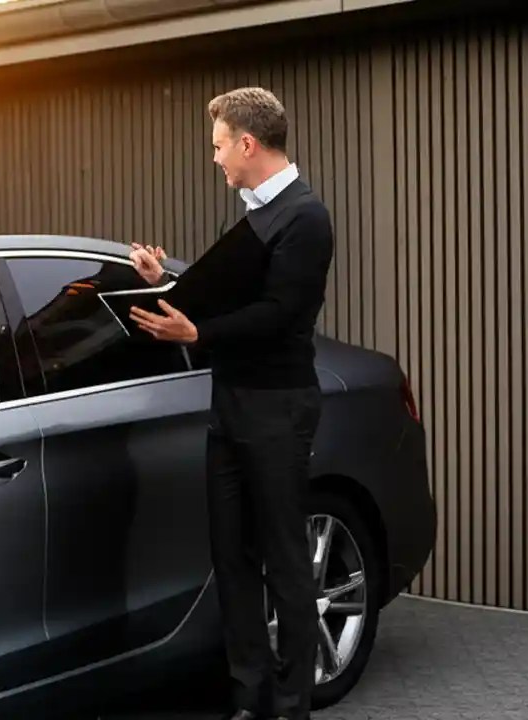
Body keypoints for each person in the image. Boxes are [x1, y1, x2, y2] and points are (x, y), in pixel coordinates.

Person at [127, 87, 334, 720]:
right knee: (232, 558)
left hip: (278, 409)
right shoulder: (254, 212)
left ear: (247, 143)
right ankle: (250, 699)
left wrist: (199, 334)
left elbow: (279, 315)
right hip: (232, 405)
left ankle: (292, 705)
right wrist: (164, 286)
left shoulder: (305, 216)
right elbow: (230, 293)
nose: (214, 158)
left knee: (285, 562)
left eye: (219, 146)